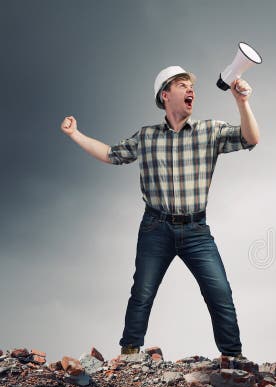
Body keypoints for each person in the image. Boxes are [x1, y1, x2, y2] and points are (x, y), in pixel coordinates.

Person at [60, 66, 260, 365]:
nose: (191, 90)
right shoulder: (146, 137)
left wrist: (242, 102)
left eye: (191, 86)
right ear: (165, 95)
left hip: (196, 230)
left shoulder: (210, 130)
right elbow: (110, 154)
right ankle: (129, 354)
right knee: (142, 291)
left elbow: (250, 138)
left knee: (220, 292)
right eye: (182, 85)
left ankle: (233, 358)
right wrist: (75, 134)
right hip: (156, 228)